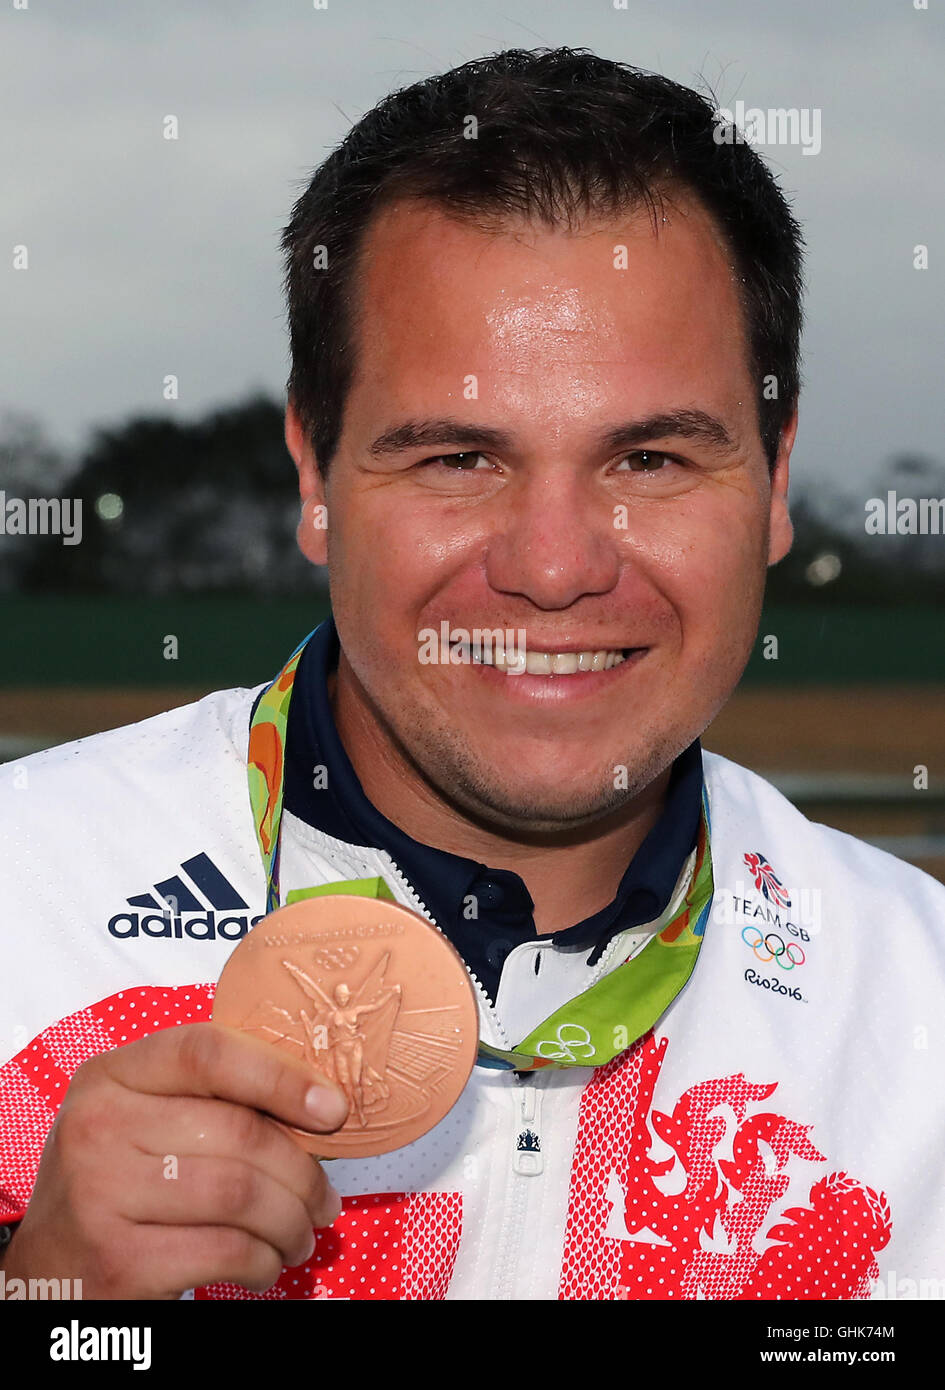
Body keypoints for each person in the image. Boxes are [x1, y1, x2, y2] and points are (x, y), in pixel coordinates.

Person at [1, 45, 943, 1303]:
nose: (554, 569)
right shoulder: (21, 898)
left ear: (773, 482)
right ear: (314, 477)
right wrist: (51, 1302)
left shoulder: (920, 1010)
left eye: (650, 459)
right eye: (456, 457)